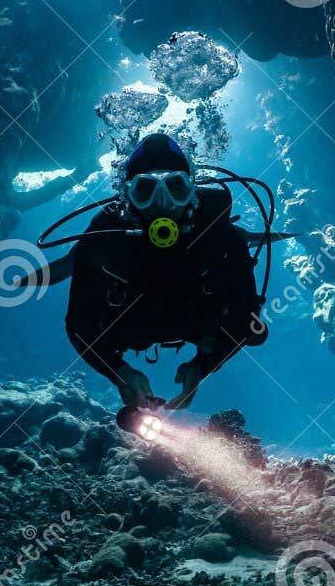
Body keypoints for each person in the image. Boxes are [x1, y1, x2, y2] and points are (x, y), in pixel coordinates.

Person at [64, 133, 268, 411]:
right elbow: (79, 325)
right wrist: (119, 372)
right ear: (128, 195)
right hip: (135, 327)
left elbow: (246, 320)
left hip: (197, 322)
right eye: (145, 190)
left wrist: (204, 365)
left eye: (175, 187)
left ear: (192, 191)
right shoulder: (103, 242)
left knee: (255, 332)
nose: (163, 203)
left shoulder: (222, 239)